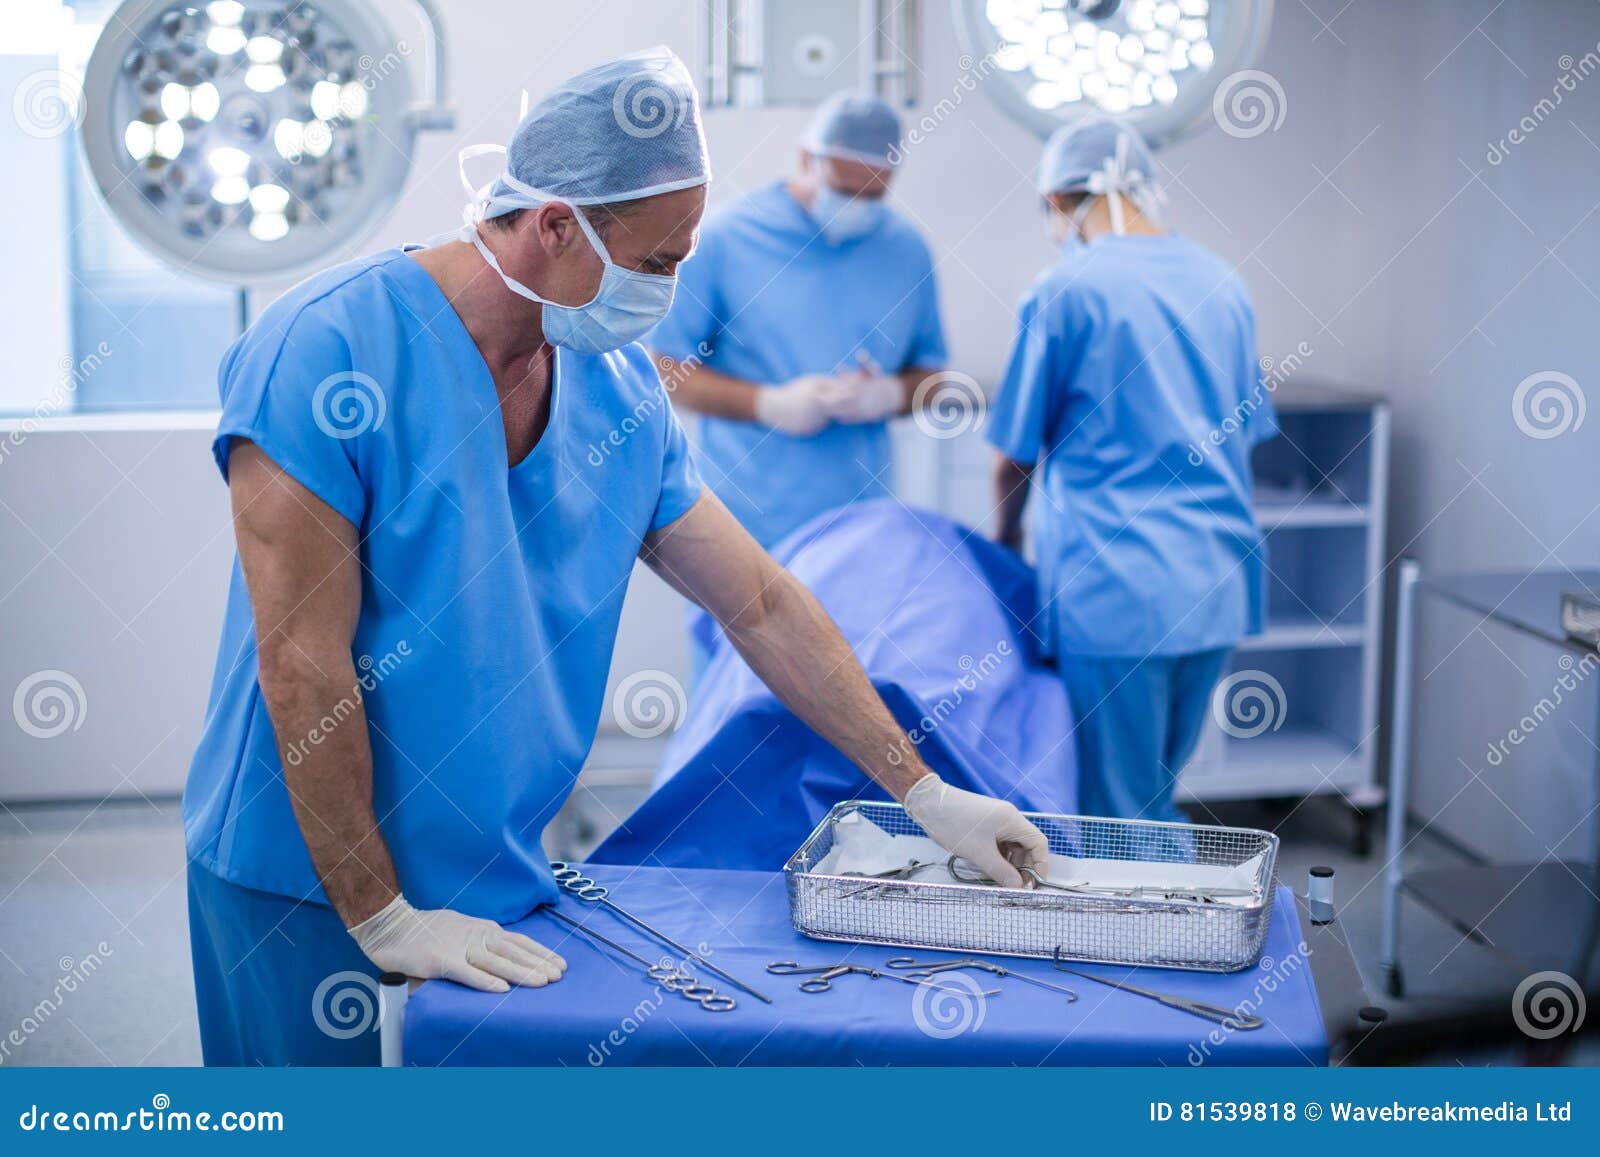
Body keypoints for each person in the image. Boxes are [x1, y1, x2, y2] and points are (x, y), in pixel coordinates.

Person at [183, 48, 1048, 1067]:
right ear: (555, 225)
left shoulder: (617, 394)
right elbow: (300, 663)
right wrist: (377, 913)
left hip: (489, 864)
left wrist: (922, 789)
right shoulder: (328, 349)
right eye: (657, 263)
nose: (671, 289)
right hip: (296, 861)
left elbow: (760, 603)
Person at [987, 116, 1275, 827]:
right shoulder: (1223, 283)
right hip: (1214, 586)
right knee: (1152, 798)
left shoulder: (1065, 292)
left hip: (1116, 597)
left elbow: (1013, 458)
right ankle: (1193, 924)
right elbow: (1248, 434)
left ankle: (1180, 936)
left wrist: (1004, 545)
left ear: (1060, 200)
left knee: (1119, 822)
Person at [645, 91, 949, 553]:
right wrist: (767, 404)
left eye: (874, 194)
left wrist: (889, 395)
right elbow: (665, 370)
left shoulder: (907, 251)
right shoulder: (726, 239)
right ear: (807, 158)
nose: (858, 206)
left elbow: (934, 377)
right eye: (846, 191)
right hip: (743, 522)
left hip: (860, 526)